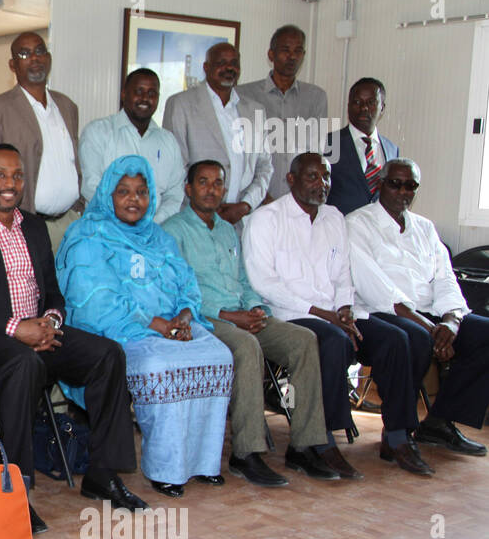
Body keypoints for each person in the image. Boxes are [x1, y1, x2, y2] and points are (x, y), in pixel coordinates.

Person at [0, 144, 147, 518]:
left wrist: (50, 323)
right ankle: (14, 489)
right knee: (22, 364)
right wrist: (17, 329)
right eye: (0, 175)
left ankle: (102, 473)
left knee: (108, 355)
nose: (10, 183)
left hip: (38, 332)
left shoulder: (33, 226)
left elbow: (53, 291)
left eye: (17, 175)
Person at [163, 161, 354, 483]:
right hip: (203, 318)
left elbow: (245, 279)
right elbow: (177, 291)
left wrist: (254, 308)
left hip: (243, 314)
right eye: (203, 182)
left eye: (218, 183)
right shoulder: (172, 231)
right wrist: (228, 316)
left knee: (304, 340)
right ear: (188, 188)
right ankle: (246, 453)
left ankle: (305, 446)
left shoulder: (227, 229)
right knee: (247, 346)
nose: (211, 189)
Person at [244, 153, 433, 475]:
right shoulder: (266, 219)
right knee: (333, 342)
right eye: (312, 177)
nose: (322, 184)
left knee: (400, 338)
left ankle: (398, 436)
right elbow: (265, 284)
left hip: (337, 312)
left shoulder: (333, 217)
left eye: (327, 177)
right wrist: (326, 315)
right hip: (291, 314)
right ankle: (321, 442)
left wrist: (344, 309)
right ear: (291, 180)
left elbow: (344, 273)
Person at [58, 156, 234, 497]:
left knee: (220, 354)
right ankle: (166, 469)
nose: (133, 199)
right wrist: (160, 325)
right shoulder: (87, 234)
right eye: (123, 191)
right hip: (120, 331)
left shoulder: (159, 236)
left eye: (141, 191)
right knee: (159, 365)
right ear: (107, 194)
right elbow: (98, 301)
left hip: (172, 325)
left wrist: (183, 319)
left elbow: (187, 283)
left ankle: (202, 462)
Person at [347, 159, 488, 455]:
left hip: (431, 315)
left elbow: (446, 278)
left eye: (410, 185)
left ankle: (439, 421)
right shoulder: (358, 224)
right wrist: (432, 328)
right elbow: (376, 287)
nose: (402, 191)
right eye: (395, 183)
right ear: (380, 184)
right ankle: (398, 432)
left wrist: (450, 322)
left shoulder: (425, 227)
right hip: (382, 312)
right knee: (416, 337)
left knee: (484, 333)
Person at [0, 32, 84, 251]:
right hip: (24, 225)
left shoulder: (67, 106)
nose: (34, 58)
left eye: (39, 51)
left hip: (70, 223)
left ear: (49, 58)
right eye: (24, 54)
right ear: (13, 65)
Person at [162, 42, 270, 228]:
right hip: (195, 222)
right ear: (206, 67)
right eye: (221, 62)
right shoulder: (181, 104)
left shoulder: (255, 110)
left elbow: (264, 167)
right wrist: (207, 209)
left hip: (243, 222)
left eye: (234, 63)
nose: (229, 68)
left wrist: (245, 205)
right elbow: (176, 168)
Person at [80, 68, 186, 223]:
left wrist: (153, 224)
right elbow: (90, 186)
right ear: (124, 94)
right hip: (105, 233)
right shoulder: (98, 132)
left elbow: (175, 194)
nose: (145, 98)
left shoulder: (168, 141)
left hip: (153, 234)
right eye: (139, 91)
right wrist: (126, 224)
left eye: (152, 93)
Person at [236, 24, 330, 200]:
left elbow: (316, 154)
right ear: (271, 54)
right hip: (253, 198)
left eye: (298, 51)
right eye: (285, 50)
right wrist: (259, 196)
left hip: (298, 201)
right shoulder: (244, 95)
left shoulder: (316, 97)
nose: (292, 56)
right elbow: (239, 154)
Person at [325, 78, 398, 216]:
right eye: (357, 102)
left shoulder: (392, 150)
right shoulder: (328, 144)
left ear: (382, 108)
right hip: (340, 229)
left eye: (371, 102)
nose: (364, 108)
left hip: (378, 232)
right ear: (348, 106)